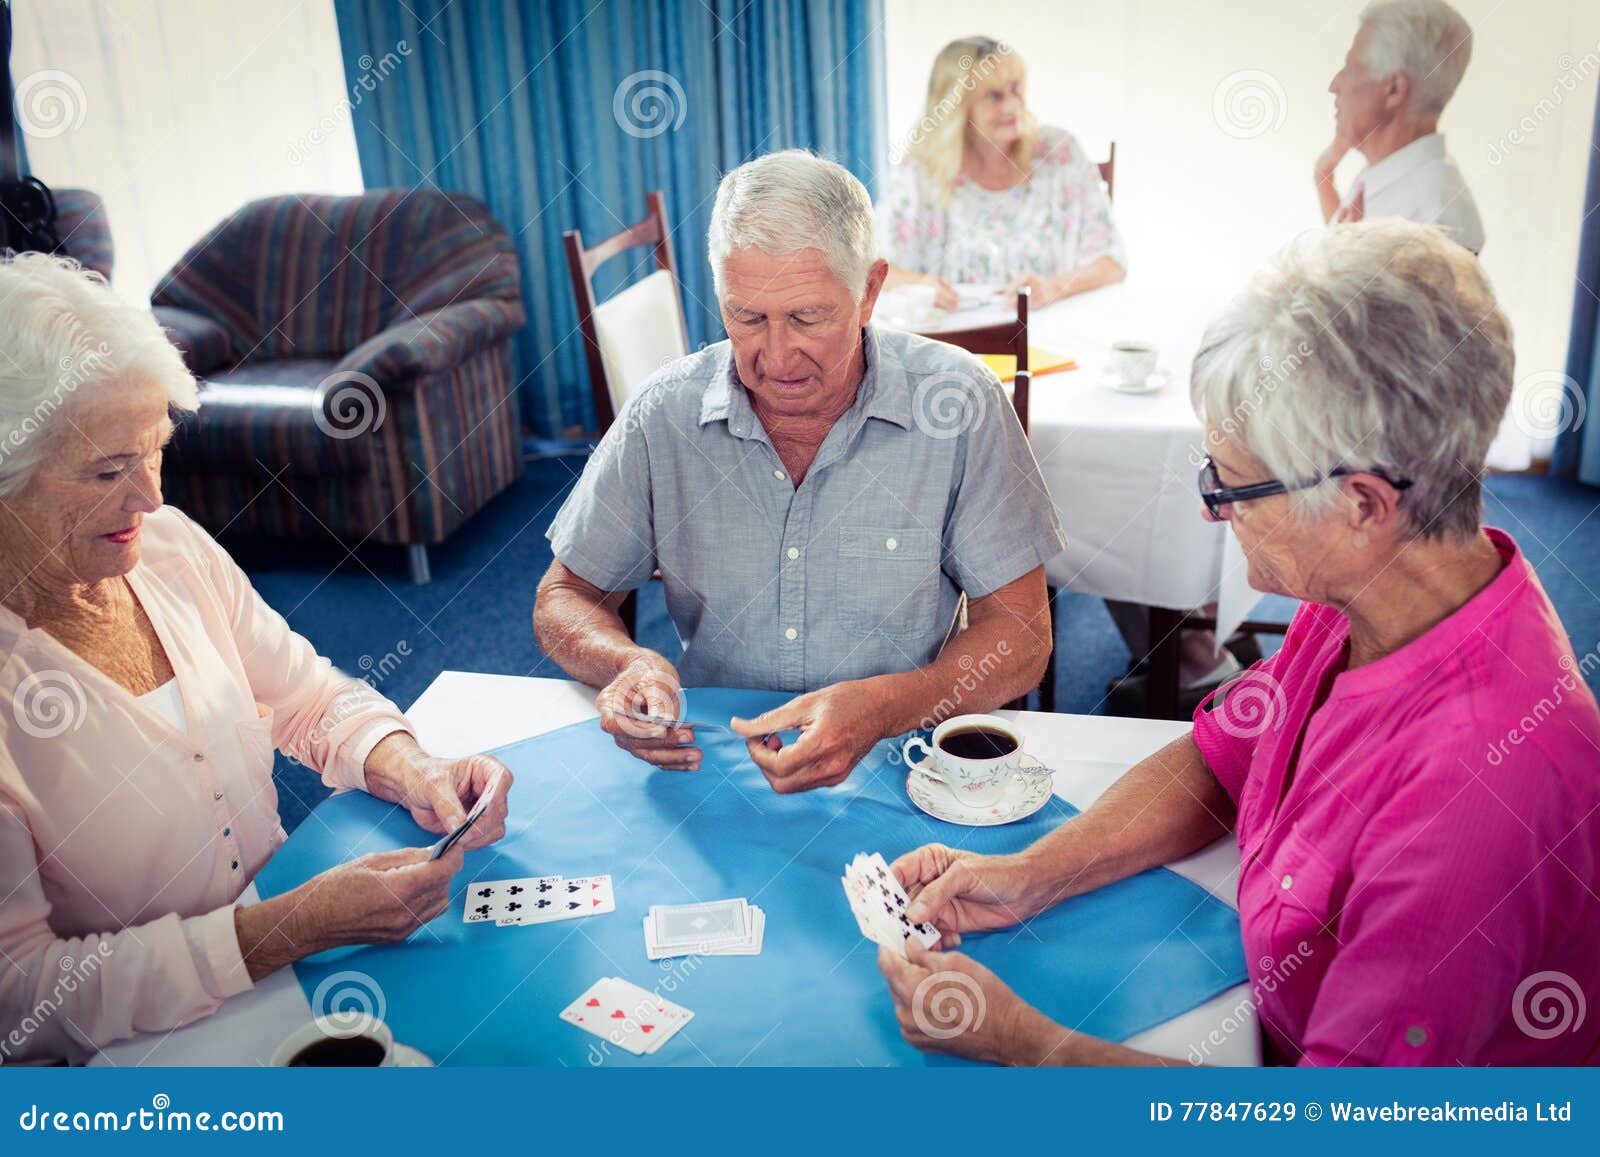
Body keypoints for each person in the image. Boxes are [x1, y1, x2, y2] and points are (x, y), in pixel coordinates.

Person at [876, 221, 1600, 1066]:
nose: (1208, 507)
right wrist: (1029, 875)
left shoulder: (1477, 786)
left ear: (1364, 503)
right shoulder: (1371, 591)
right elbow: (1223, 758)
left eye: (1230, 484)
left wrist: (1027, 1042)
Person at [0, 254, 512, 1062]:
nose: (151, 498)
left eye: (154, 449)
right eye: (107, 470)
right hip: (138, 1056)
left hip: (293, 977)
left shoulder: (166, 548)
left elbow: (308, 698)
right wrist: (287, 928)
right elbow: (18, 994)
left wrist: (410, 763)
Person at [534, 150, 1065, 794]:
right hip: (715, 763)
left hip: (904, 761)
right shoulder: (663, 413)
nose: (775, 356)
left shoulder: (959, 403)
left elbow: (1021, 635)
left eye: (808, 318)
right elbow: (565, 598)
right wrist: (630, 660)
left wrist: (893, 705)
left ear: (869, 291)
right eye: (747, 317)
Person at [877, 37, 1125, 309]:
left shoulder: (1060, 153)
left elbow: (1112, 264)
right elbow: (873, 271)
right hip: (959, 343)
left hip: (1053, 341)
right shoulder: (921, 173)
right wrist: (917, 284)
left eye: (1015, 88)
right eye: (994, 96)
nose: (1011, 106)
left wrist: (1052, 288)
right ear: (956, 106)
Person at [1315, 0, 1485, 253]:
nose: (1334, 85)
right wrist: (1323, 176)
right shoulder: (1388, 177)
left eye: (1350, 68)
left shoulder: (1435, 216)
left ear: (1394, 90)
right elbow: (1339, 249)